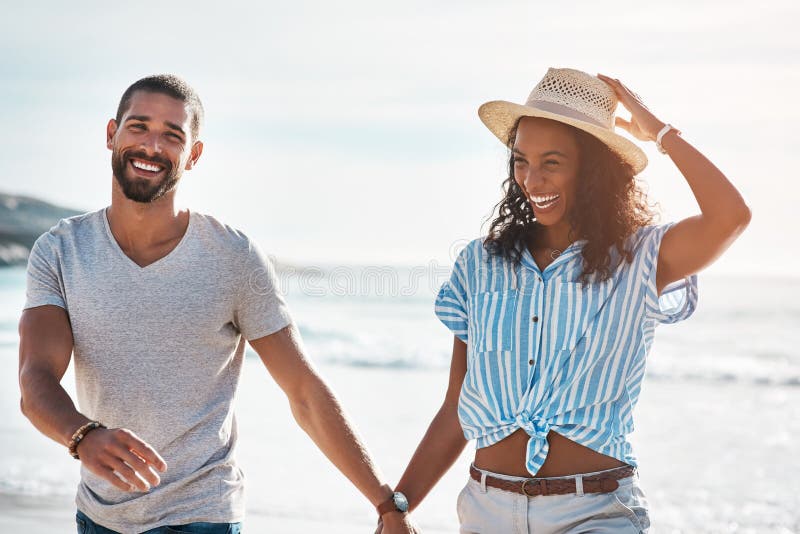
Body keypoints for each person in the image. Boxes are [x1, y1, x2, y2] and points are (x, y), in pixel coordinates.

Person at [18, 74, 415, 533]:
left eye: (172, 135)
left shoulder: (233, 258)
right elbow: (35, 379)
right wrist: (82, 435)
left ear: (193, 155)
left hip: (204, 516)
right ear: (112, 134)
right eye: (138, 127)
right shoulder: (61, 250)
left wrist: (386, 504)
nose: (151, 146)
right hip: (100, 517)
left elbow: (303, 391)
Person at [387, 68, 751, 532]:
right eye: (521, 160)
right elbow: (457, 407)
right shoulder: (480, 264)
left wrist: (658, 132)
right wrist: (399, 504)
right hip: (486, 512)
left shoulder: (640, 258)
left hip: (594, 513)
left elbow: (731, 215)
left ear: (593, 168)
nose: (532, 179)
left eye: (552, 162)